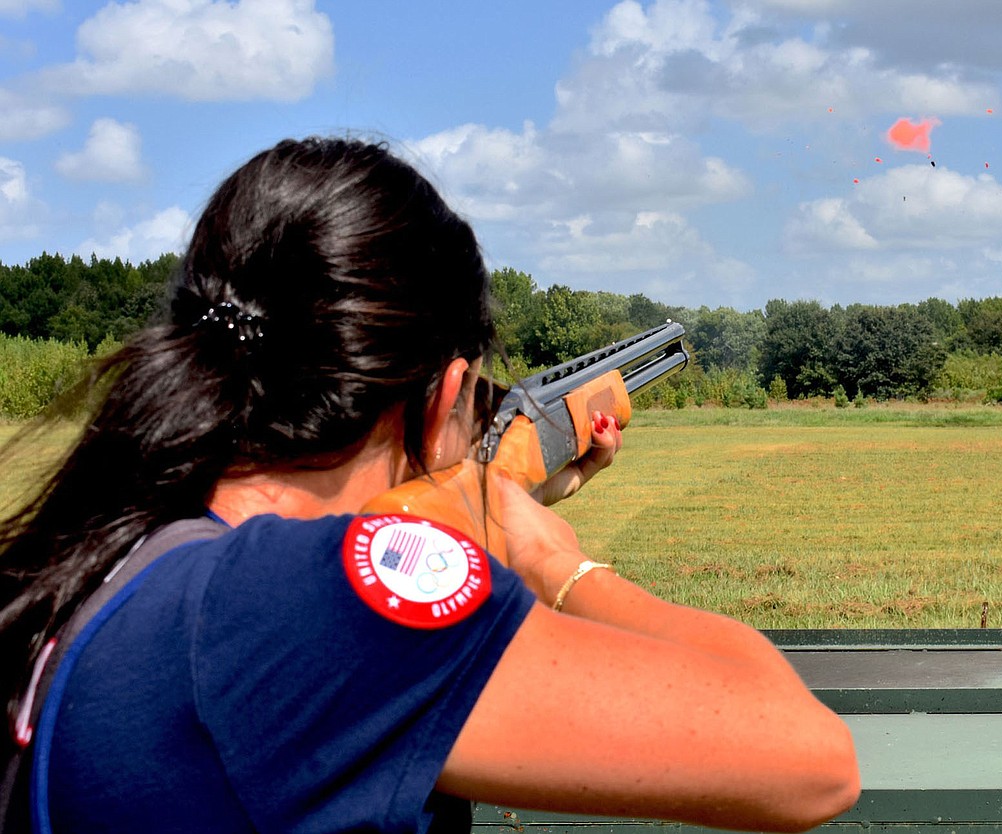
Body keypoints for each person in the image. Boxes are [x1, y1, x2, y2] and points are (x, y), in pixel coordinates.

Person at [0, 137, 858, 833]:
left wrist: (512, 496)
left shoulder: (121, 553)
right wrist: (549, 559)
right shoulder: (304, 605)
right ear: (445, 392)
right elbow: (811, 761)